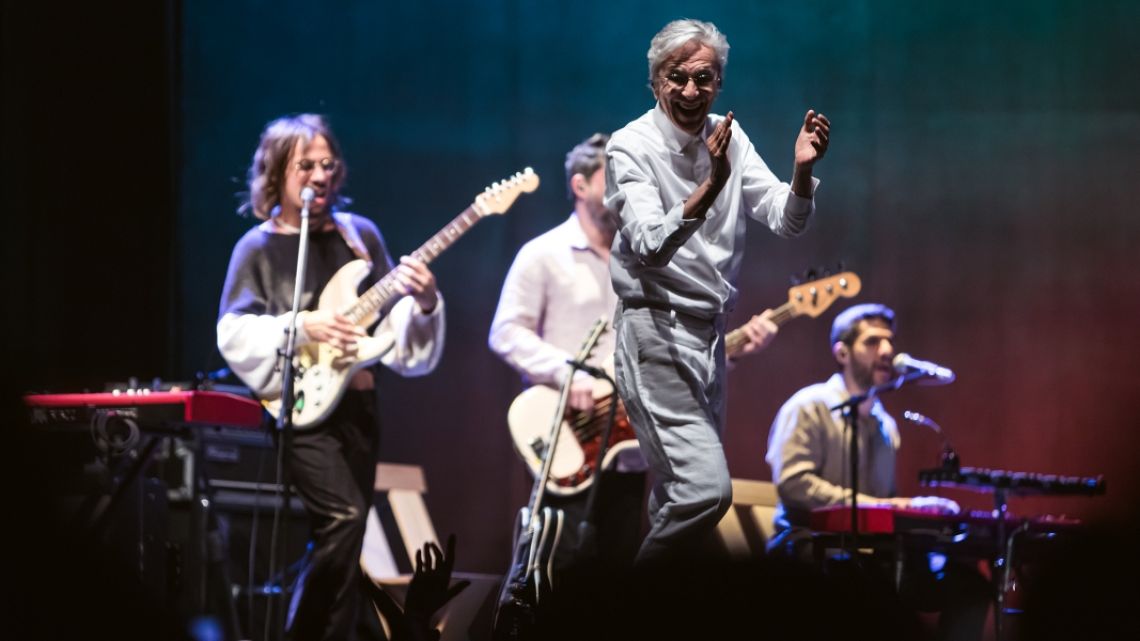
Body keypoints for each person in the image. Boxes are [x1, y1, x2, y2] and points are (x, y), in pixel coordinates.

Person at [605, 18, 829, 562]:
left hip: (709, 338)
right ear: (655, 82)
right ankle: (621, 604)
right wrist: (711, 184)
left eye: (703, 78)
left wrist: (801, 172)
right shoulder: (630, 146)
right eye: (677, 77)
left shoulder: (730, 137)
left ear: (719, 83)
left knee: (678, 501)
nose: (690, 91)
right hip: (655, 332)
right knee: (705, 493)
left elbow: (786, 218)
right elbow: (649, 245)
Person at [217, 113, 445, 641]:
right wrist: (302, 325)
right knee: (344, 517)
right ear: (277, 172)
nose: (320, 175)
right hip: (300, 409)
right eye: (306, 165)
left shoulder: (360, 236)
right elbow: (231, 331)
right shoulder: (257, 247)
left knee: (346, 532)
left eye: (327, 163)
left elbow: (392, 334)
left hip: (359, 407)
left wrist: (426, 302)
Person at [765, 303, 989, 640]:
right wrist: (883, 506)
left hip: (876, 554)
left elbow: (884, 503)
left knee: (970, 587)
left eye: (889, 341)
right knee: (864, 588)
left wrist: (919, 512)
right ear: (842, 353)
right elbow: (794, 485)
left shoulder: (885, 424)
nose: (886, 351)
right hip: (810, 547)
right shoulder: (808, 406)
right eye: (872, 341)